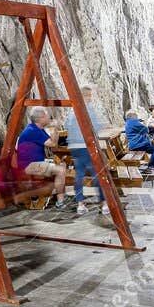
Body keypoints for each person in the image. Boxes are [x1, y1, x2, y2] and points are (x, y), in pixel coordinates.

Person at [64, 86, 107, 215]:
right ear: (82, 95)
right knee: (97, 174)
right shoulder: (88, 109)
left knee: (79, 175)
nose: (90, 98)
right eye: (88, 95)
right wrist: (102, 125)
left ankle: (80, 204)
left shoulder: (72, 109)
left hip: (74, 146)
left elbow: (66, 125)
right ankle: (104, 204)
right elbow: (95, 126)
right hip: (86, 145)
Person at [17, 106, 70, 208]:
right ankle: (60, 202)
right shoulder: (33, 130)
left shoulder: (36, 129)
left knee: (62, 164)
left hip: (34, 163)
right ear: (40, 118)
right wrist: (55, 128)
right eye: (46, 116)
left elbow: (52, 142)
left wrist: (55, 129)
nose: (49, 118)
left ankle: (60, 193)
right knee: (60, 170)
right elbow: (53, 143)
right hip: (29, 166)